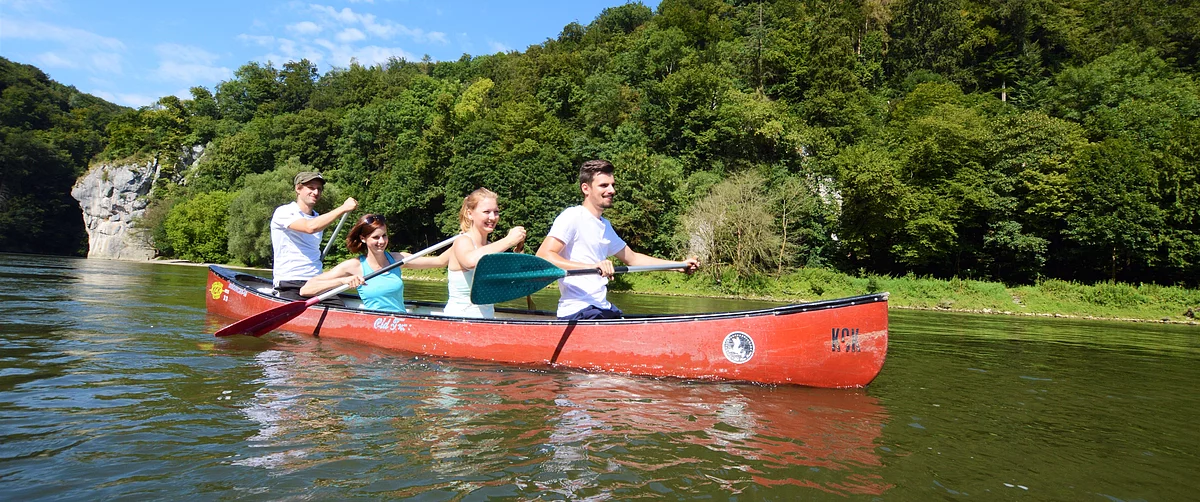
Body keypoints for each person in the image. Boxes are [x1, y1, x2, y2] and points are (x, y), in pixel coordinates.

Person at [537, 159, 699, 320]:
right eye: (604, 185)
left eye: (612, 185)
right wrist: (593, 266)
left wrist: (679, 265)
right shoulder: (573, 216)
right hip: (577, 311)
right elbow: (544, 256)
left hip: (601, 308)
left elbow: (633, 258)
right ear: (585, 188)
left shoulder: (605, 226)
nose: (612, 190)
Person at [300, 214, 449, 313]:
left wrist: (465, 238)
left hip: (401, 321)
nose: (382, 241)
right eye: (376, 237)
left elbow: (440, 261)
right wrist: (342, 281)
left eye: (384, 236)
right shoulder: (354, 266)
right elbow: (306, 289)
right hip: (377, 325)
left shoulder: (397, 259)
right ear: (364, 238)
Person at [271, 171, 357, 302]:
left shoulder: (317, 217)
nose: (316, 192)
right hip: (290, 282)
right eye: (311, 188)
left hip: (317, 282)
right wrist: (343, 208)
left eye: (319, 189)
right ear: (298, 188)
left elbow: (314, 225)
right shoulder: (284, 212)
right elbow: (309, 227)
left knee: (338, 310)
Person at [444, 188, 527, 318]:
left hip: (486, 322)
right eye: (486, 212)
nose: (493, 217)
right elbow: (470, 262)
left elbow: (509, 282)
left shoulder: (490, 247)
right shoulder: (462, 241)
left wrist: (520, 259)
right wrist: (508, 240)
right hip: (459, 321)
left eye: (496, 212)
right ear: (470, 214)